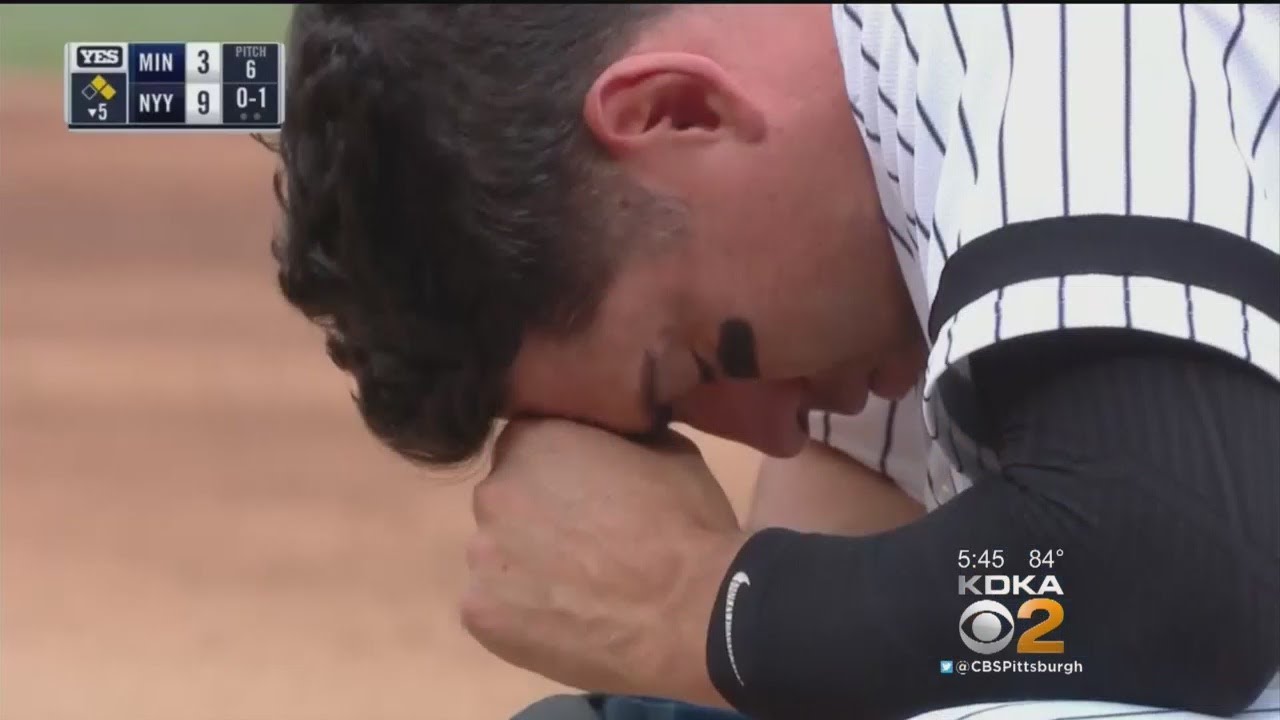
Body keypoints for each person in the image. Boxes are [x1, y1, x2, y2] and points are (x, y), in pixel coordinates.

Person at [265, 4, 1280, 719]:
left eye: (698, 363)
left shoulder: (1026, 40)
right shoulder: (872, 218)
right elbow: (881, 641)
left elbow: (1174, 580)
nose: (767, 431)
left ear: (675, 110)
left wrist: (694, 602)